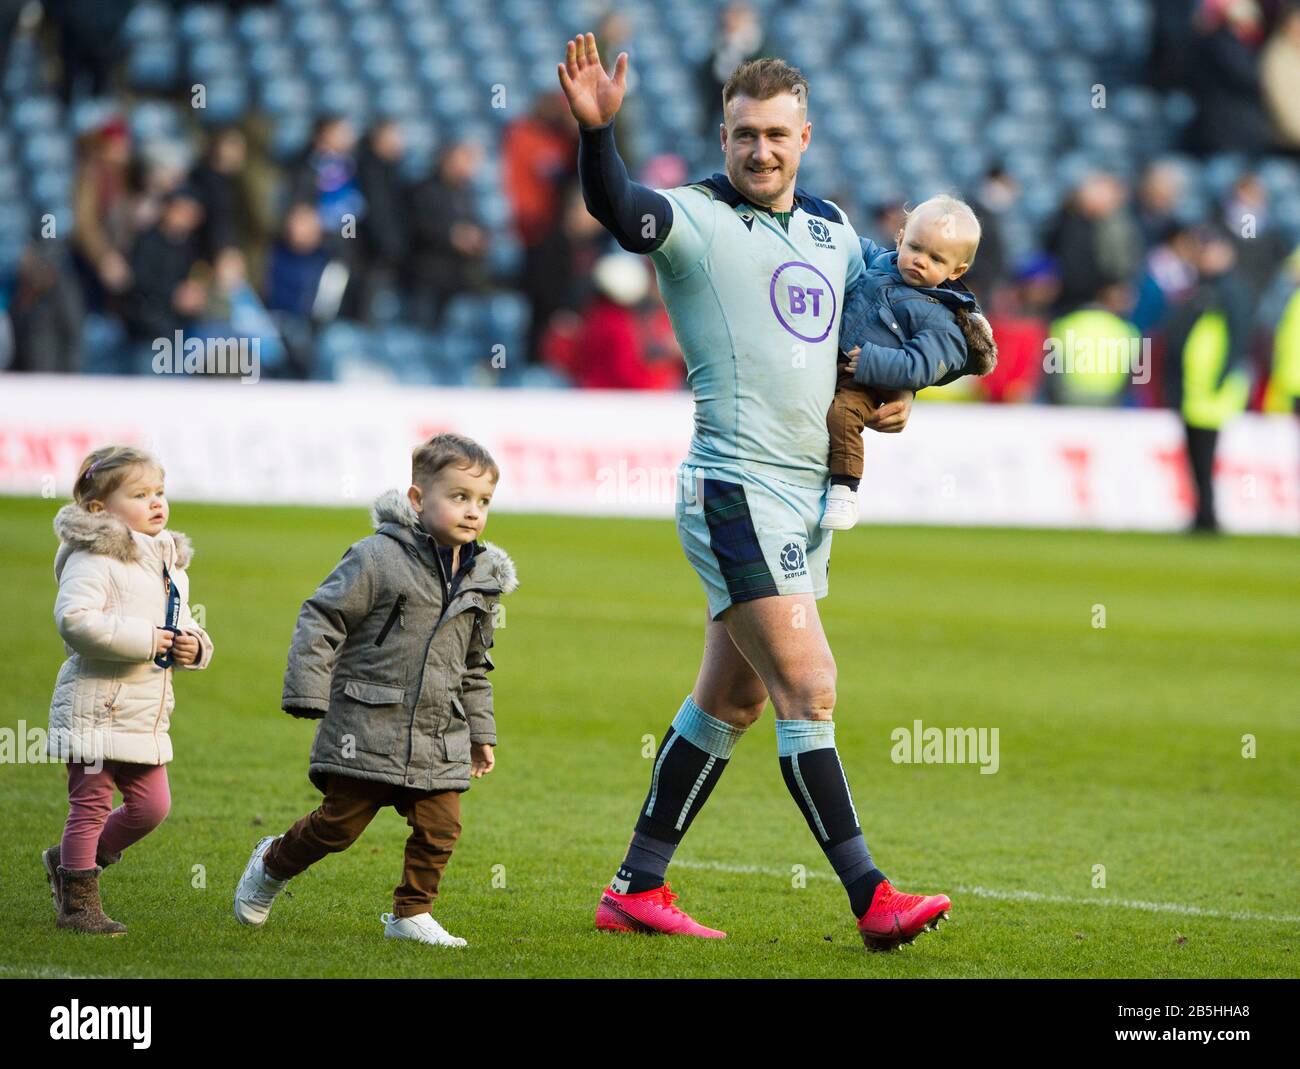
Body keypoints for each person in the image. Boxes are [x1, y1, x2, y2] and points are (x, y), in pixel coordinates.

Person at [559, 34, 950, 950]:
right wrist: (598, 137)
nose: (760, 150)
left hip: (804, 502)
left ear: (804, 135)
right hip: (734, 489)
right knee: (808, 687)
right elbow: (619, 209)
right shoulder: (693, 217)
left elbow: (875, 327)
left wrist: (894, 392)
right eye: (744, 134)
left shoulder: (834, 231)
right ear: (722, 134)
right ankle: (872, 896)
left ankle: (636, 886)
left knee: (731, 701)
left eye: (777, 133)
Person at [232, 434, 517, 947]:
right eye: (458, 497)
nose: (473, 511)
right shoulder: (376, 558)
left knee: (441, 827)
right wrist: (308, 690)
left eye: (483, 501)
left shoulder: (483, 579)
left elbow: (475, 666)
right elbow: (321, 616)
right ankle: (272, 864)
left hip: (438, 730)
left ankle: (411, 913)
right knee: (337, 829)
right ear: (416, 499)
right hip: (367, 721)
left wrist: (480, 730)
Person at [44, 445, 214, 934]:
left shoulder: (167, 563)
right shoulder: (93, 557)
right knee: (91, 805)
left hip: (144, 712)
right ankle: (79, 905)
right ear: (100, 509)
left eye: (159, 492)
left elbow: (182, 623)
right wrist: (145, 641)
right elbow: (74, 621)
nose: (156, 502)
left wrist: (194, 647)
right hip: (96, 706)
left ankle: (69, 861)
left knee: (151, 808)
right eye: (140, 494)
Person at [822, 195, 998, 529]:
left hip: (864, 379)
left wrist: (873, 361)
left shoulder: (942, 318)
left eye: (935, 258)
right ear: (900, 238)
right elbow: (845, 241)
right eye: (915, 248)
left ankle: (844, 488)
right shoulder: (878, 262)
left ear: (956, 270)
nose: (920, 261)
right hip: (827, 360)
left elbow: (921, 365)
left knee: (844, 415)